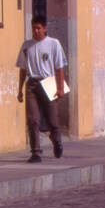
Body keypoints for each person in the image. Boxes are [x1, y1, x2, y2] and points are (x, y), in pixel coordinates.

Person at [15, 15, 67, 163]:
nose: (36, 31)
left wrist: (60, 87)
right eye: (33, 28)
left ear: (45, 28)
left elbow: (59, 67)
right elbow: (23, 69)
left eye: (38, 28)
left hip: (48, 82)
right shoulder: (26, 46)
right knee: (33, 119)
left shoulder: (53, 44)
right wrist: (19, 89)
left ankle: (57, 140)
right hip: (32, 84)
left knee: (52, 119)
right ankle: (36, 152)